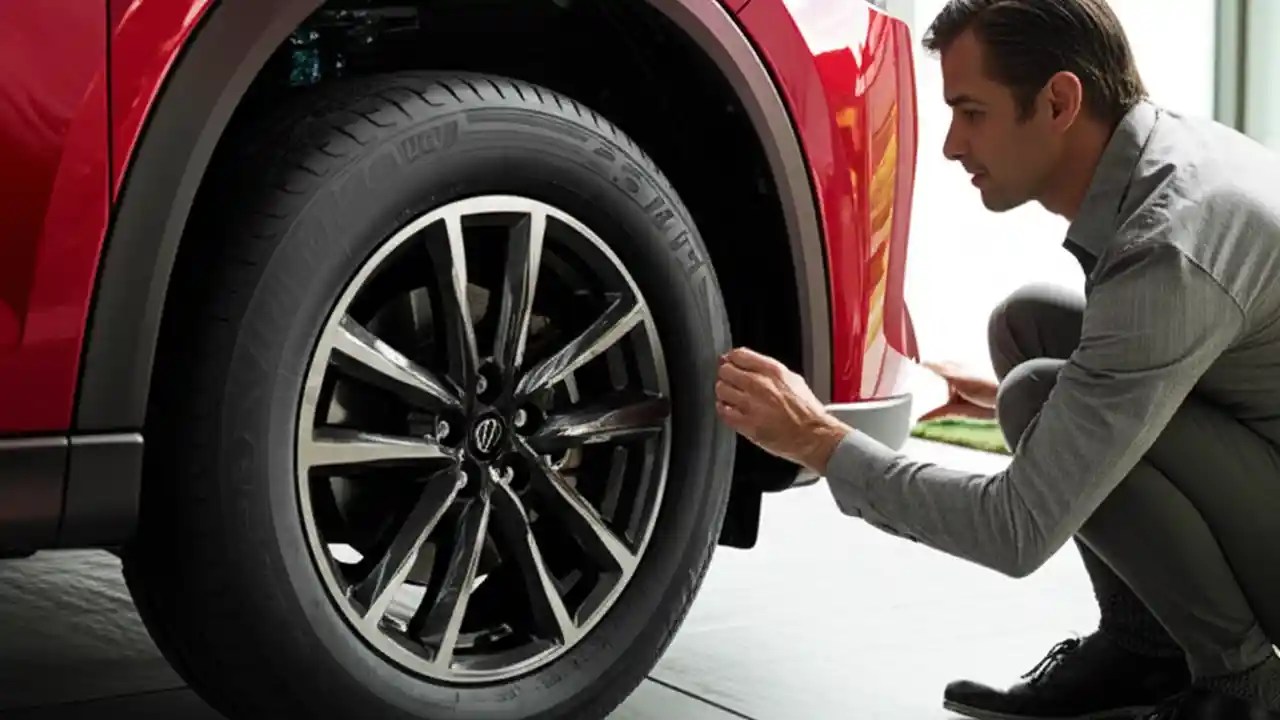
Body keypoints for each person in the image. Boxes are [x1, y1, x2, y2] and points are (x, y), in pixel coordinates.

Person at [713, 1, 1280, 718]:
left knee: (1038, 395)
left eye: (971, 112)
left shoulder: (1168, 248)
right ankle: (1145, 652)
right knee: (1028, 330)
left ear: (1059, 101)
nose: (952, 144)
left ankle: (1243, 689)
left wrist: (818, 441)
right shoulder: (1175, 159)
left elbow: (1015, 530)